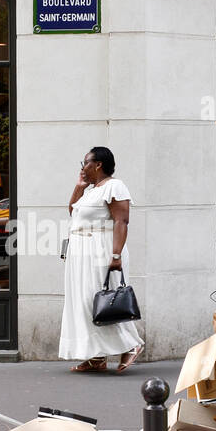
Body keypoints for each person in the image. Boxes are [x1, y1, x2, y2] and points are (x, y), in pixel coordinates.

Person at [59, 146, 144, 373]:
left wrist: (116, 255)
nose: (82, 168)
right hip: (80, 254)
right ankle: (97, 356)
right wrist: (79, 187)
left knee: (98, 301)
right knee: (83, 304)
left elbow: (121, 221)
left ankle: (131, 344)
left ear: (98, 164)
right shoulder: (90, 190)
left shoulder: (114, 186)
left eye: (85, 163)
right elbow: (72, 211)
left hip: (100, 251)